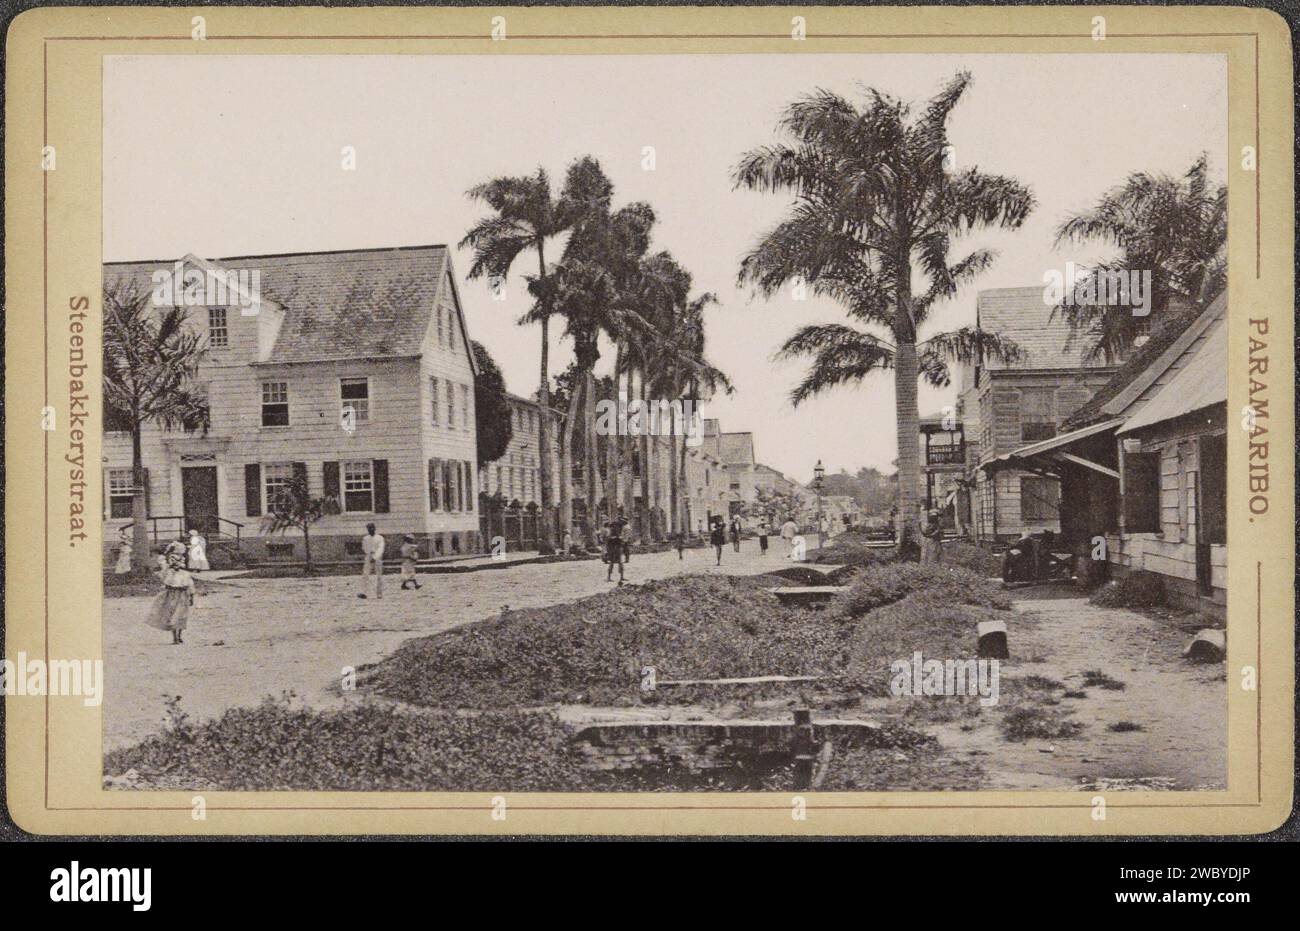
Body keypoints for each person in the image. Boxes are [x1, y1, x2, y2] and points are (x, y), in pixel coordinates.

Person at [146, 541, 194, 644]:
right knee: (174, 614)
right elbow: (171, 567)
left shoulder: (184, 571)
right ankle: (175, 637)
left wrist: (190, 596)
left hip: (182, 592)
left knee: (181, 615)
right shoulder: (172, 561)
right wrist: (174, 567)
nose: (181, 552)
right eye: (180, 550)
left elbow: (189, 583)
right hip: (174, 590)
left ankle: (179, 636)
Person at [358, 523, 385, 599]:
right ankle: (364, 592)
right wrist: (369, 555)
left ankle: (379, 594)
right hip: (369, 556)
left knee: (378, 575)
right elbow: (364, 548)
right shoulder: (365, 538)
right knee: (365, 574)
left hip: (378, 557)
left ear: (375, 528)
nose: (371, 529)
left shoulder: (380, 538)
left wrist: (375, 557)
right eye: (369, 528)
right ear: (367, 529)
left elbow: (381, 548)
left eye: (372, 528)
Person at [603, 512, 627, 584]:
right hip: (614, 551)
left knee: (618, 563)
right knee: (614, 563)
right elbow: (608, 544)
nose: (616, 529)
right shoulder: (612, 536)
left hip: (616, 550)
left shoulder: (614, 536)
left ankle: (620, 576)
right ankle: (610, 577)